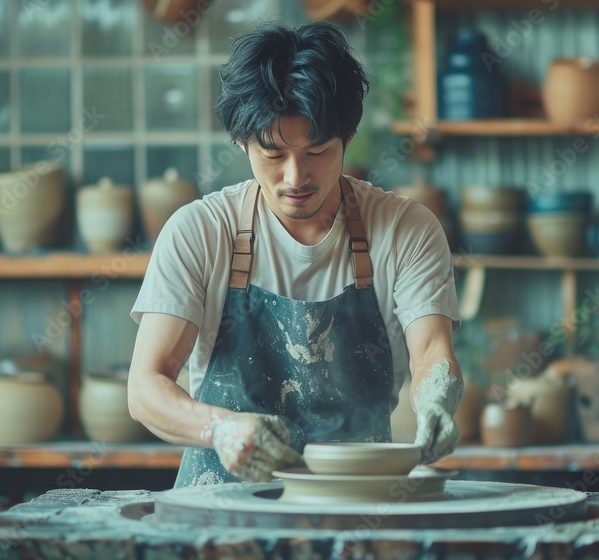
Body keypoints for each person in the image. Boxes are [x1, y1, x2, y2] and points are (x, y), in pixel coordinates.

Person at [127, 21, 463, 488]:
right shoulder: (200, 232)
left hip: (352, 500)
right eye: (273, 152)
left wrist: (435, 402)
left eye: (318, 150)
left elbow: (431, 351)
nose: (295, 177)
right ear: (242, 141)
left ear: (347, 137)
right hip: (223, 506)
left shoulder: (407, 230)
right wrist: (219, 427)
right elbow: (146, 388)